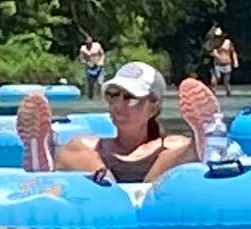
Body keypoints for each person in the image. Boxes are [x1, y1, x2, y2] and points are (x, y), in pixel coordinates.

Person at [14, 61, 224, 183]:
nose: (118, 105)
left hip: (158, 196)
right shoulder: (95, 149)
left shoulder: (171, 148)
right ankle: (43, 153)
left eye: (130, 98)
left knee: (185, 147)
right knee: (80, 146)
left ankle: (208, 144)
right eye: (113, 95)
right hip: (101, 189)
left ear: (154, 106)